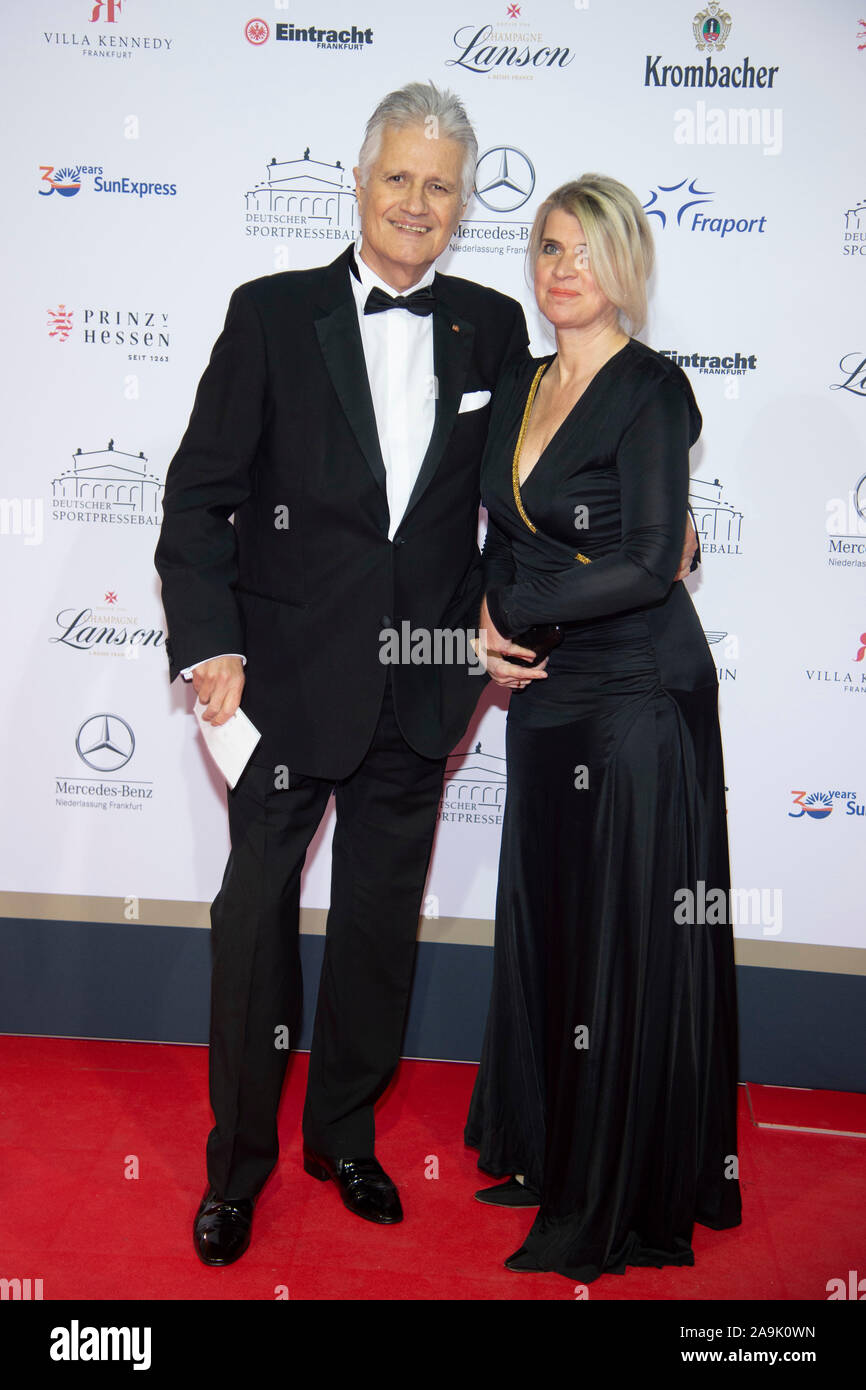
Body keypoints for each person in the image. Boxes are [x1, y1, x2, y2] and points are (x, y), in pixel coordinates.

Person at [154, 81, 532, 1265]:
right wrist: (210, 645)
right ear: (359, 184)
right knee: (253, 928)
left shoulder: (488, 326)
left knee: (377, 931)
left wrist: (631, 537)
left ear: (460, 203)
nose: (417, 203)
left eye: (439, 185)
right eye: (398, 178)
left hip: (418, 683)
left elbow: (516, 504)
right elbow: (196, 495)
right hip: (280, 686)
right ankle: (237, 1169)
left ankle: (344, 1138)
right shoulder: (270, 313)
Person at [465, 175, 742, 1281]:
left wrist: (519, 606)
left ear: (623, 263)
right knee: (553, 919)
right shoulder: (523, 380)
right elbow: (501, 530)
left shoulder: (652, 391)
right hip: (544, 696)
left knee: (625, 932)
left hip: (635, 698)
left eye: (581, 249)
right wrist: (485, 614)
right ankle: (547, 1146)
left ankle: (614, 1190)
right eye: (543, 246)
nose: (557, 267)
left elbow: (643, 560)